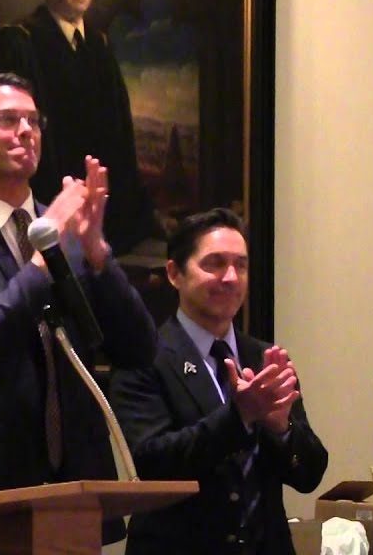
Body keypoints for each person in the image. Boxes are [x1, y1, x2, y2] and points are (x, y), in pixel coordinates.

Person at [0, 72, 156, 546]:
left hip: (72, 486)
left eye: (33, 121)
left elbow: (139, 349)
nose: (25, 131)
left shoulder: (73, 236)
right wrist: (44, 255)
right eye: (7, 119)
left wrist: (97, 253)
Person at [109, 208, 328, 555]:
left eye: (240, 265)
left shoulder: (264, 357)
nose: (230, 278)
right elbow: (152, 463)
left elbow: (309, 475)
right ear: (174, 274)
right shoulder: (143, 357)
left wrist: (282, 429)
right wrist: (239, 417)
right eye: (214, 263)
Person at [0, 0, 157, 255]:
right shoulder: (21, 44)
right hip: (44, 230)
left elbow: (121, 145)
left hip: (103, 231)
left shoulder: (99, 48)